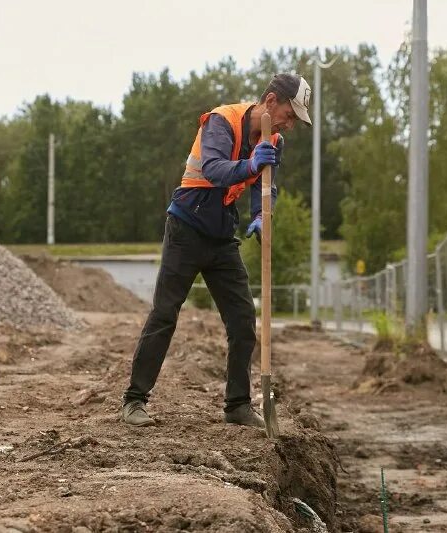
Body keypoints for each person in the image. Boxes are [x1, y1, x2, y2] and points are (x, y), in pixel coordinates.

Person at [121, 73, 312, 427]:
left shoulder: (275, 140)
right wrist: (251, 164)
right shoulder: (221, 121)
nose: (290, 123)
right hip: (186, 229)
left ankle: (237, 405)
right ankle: (134, 400)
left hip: (222, 235)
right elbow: (213, 168)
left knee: (242, 320)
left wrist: (260, 213)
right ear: (271, 101)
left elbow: (264, 186)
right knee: (165, 313)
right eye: (290, 113)